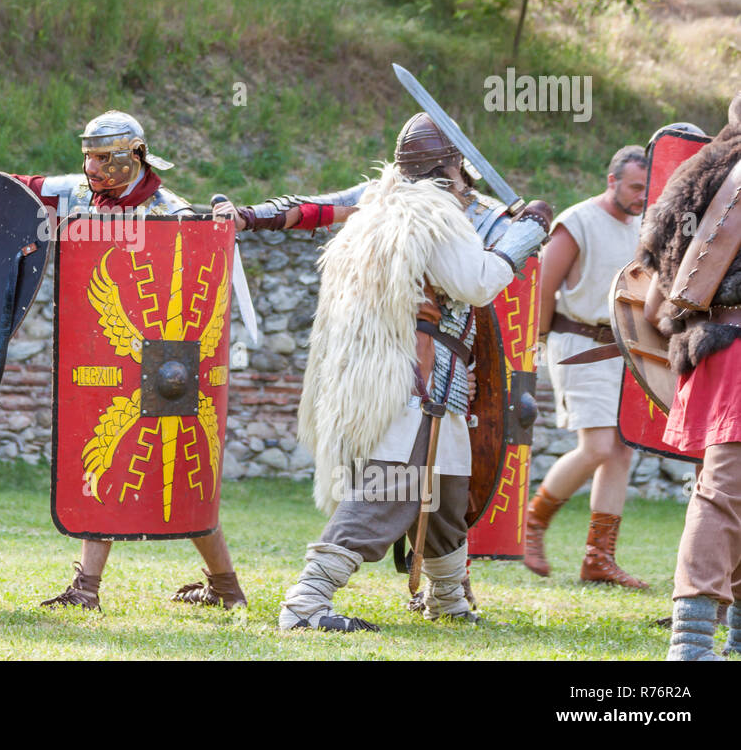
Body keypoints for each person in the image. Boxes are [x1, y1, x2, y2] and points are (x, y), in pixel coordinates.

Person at [0, 112, 344, 611]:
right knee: (111, 465)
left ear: (134, 155)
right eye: (88, 155)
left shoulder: (173, 214)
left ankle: (215, 587)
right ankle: (119, 588)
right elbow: (16, 187)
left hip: (168, 363)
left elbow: (190, 296)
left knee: (183, 472)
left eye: (103, 157)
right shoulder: (78, 194)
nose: (92, 166)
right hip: (113, 361)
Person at [278, 114, 551, 631]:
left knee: (447, 492)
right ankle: (306, 603)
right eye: (462, 173)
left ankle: (447, 599)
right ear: (452, 169)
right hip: (413, 375)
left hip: (411, 371)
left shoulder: (380, 211)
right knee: (390, 487)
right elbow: (476, 282)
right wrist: (525, 236)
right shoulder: (434, 217)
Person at [638, 96, 741, 659]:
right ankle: (692, 644)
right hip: (737, 356)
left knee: (730, 492)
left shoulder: (698, 172)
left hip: (709, 349)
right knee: (723, 494)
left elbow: (653, 304)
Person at [524, 146, 650, 588]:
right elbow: (543, 286)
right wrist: (535, 344)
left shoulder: (641, 226)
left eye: (646, 188)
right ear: (612, 180)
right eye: (635, 186)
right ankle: (532, 523)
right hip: (577, 342)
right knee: (597, 447)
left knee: (621, 450)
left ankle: (598, 558)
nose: (641, 195)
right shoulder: (577, 220)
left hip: (624, 350)